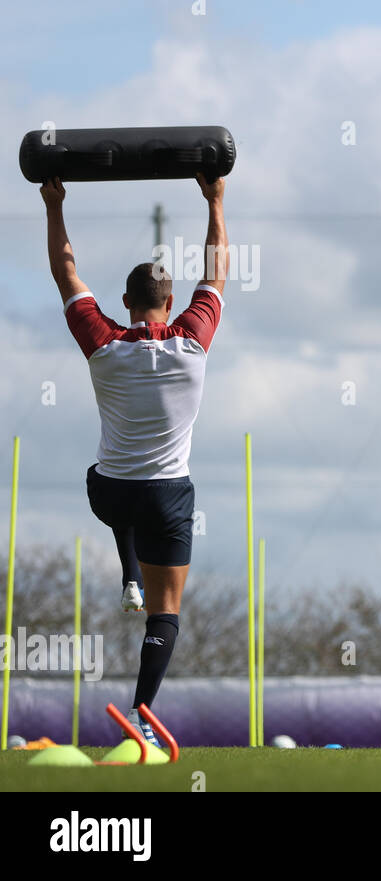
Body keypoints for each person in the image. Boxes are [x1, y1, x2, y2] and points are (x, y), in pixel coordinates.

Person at [42, 174, 228, 746]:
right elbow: (216, 269)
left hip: (113, 493)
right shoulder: (193, 340)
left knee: (100, 477)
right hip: (169, 496)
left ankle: (129, 572)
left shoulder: (102, 342)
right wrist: (215, 200)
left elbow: (65, 272)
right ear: (170, 302)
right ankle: (142, 717)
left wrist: (54, 204)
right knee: (165, 613)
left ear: (125, 303)